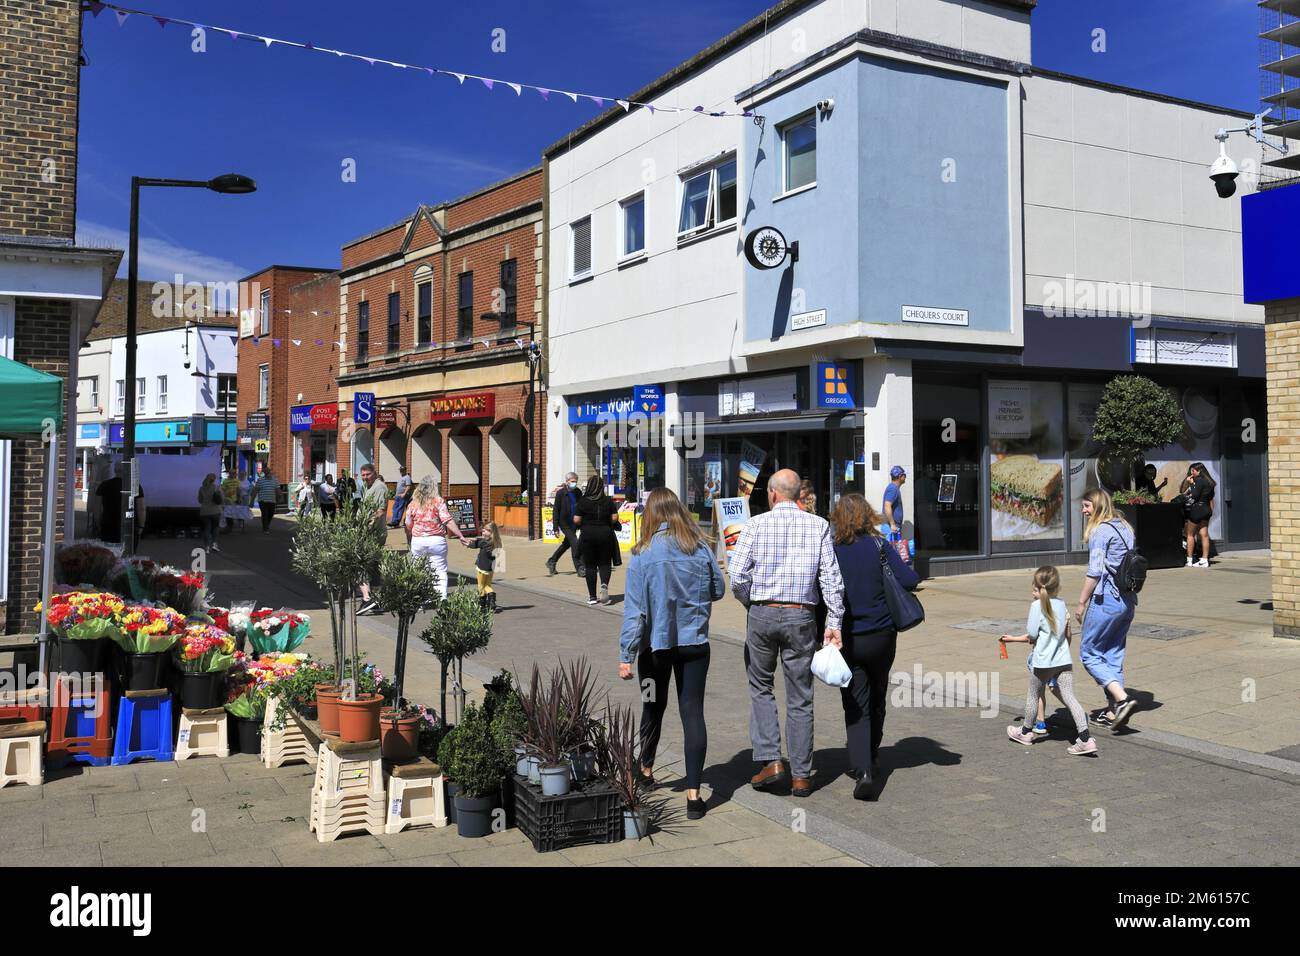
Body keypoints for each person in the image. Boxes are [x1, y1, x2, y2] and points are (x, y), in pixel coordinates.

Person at [729, 469, 844, 798]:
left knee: (761, 686)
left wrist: (751, 603)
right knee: (800, 696)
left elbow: (737, 576)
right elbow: (831, 580)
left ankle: (770, 761)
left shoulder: (755, 524)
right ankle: (802, 776)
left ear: (772, 494)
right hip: (801, 616)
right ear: (797, 495)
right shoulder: (819, 525)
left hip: (763, 612)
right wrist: (834, 623)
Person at [619, 488, 724, 820]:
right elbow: (718, 589)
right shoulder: (700, 548)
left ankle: (646, 770)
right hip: (694, 645)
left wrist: (626, 653)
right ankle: (694, 796)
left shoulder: (642, 553)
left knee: (653, 706)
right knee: (692, 712)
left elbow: (634, 612)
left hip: (656, 648)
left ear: (650, 514)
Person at [827, 494, 919, 800]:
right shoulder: (879, 545)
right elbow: (909, 579)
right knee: (878, 696)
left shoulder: (832, 549)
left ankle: (862, 768)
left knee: (855, 703)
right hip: (882, 636)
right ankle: (873, 753)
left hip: (848, 637)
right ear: (867, 516)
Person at [1001, 566, 1096, 756]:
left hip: (1043, 662)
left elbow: (1033, 634)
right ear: (1057, 586)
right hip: (1063, 660)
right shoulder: (1061, 604)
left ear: (1037, 586)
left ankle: (1026, 733)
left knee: (1033, 694)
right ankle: (1085, 738)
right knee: (1070, 696)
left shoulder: (1036, 606)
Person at [1076, 489, 1139, 732]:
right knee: (1113, 653)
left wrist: (1082, 602)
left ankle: (1122, 701)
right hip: (1128, 600)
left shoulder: (1100, 531)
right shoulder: (1124, 526)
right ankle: (1113, 712)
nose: (1083, 511)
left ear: (1098, 506)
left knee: (1090, 653)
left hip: (1107, 600)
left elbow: (1095, 571)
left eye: (1087, 506)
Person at [401, 475, 471, 603]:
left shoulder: (413, 503)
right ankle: (441, 597)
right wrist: (461, 536)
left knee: (419, 569)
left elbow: (408, 523)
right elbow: (447, 520)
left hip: (418, 540)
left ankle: (421, 598)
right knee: (440, 569)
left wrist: (410, 536)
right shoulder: (438, 501)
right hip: (436, 540)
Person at [573, 476, 620, 606]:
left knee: (590, 566)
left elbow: (576, 520)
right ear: (601, 487)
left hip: (588, 535)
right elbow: (615, 517)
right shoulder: (608, 501)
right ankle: (604, 585)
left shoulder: (582, 502)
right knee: (605, 563)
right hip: (605, 534)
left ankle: (592, 597)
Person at [356, 463, 393, 614]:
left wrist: (367, 527)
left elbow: (380, 511)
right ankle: (375, 600)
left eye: (367, 475)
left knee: (360, 563)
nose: (365, 478)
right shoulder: (368, 486)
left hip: (373, 533)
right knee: (373, 565)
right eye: (363, 475)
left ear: (374, 473)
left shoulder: (379, 487)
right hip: (368, 532)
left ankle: (367, 598)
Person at [545, 472, 585, 578]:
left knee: (567, 544)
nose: (574, 483)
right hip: (564, 523)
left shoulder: (578, 492)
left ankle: (552, 561)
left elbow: (581, 507)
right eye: (572, 481)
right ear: (567, 482)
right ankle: (580, 567)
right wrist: (555, 527)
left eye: (576, 481)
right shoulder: (561, 493)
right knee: (575, 543)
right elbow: (556, 510)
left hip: (575, 522)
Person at [1183, 462, 1215, 568]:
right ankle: (1204, 560)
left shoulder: (1199, 481)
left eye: (1193, 470)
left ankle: (1189, 560)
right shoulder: (1210, 482)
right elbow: (1211, 496)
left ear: (1199, 470)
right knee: (1204, 535)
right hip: (1206, 509)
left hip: (1197, 509)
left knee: (1190, 535)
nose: (1191, 473)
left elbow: (1195, 495)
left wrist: (1191, 483)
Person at [470, 520, 503, 613]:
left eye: (484, 531)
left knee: (481, 585)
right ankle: (492, 602)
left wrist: (466, 542)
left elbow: (473, 545)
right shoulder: (496, 542)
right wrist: (477, 539)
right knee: (487, 585)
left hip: (481, 567)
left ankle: (482, 605)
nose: (482, 532)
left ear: (490, 532)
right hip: (490, 568)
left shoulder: (484, 543)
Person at [95, 464, 124, 543]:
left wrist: (97, 522)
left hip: (107, 522)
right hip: (125, 524)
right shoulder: (132, 486)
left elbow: (97, 506)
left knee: (107, 550)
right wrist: (140, 527)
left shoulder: (104, 485)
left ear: (115, 470)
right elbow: (140, 508)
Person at [198, 473, 223, 552]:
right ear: (214, 479)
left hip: (204, 512)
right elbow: (221, 499)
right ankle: (214, 544)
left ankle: (207, 547)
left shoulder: (201, 488)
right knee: (215, 528)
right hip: (216, 511)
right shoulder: (217, 487)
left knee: (207, 528)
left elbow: (200, 500)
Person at [882, 465, 906, 538]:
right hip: (891, 528)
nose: (905, 477)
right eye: (904, 475)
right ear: (899, 476)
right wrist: (892, 524)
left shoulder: (894, 488)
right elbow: (887, 506)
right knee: (892, 549)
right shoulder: (893, 489)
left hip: (892, 527)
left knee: (895, 549)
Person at [254, 467, 279, 534]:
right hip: (262, 500)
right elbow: (255, 490)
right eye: (266, 472)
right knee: (265, 514)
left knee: (271, 514)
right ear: (264, 473)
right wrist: (251, 501)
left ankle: (266, 525)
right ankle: (265, 528)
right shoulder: (260, 480)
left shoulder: (275, 480)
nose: (268, 473)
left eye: (269, 472)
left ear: (271, 472)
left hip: (272, 500)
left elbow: (277, 490)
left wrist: (280, 496)